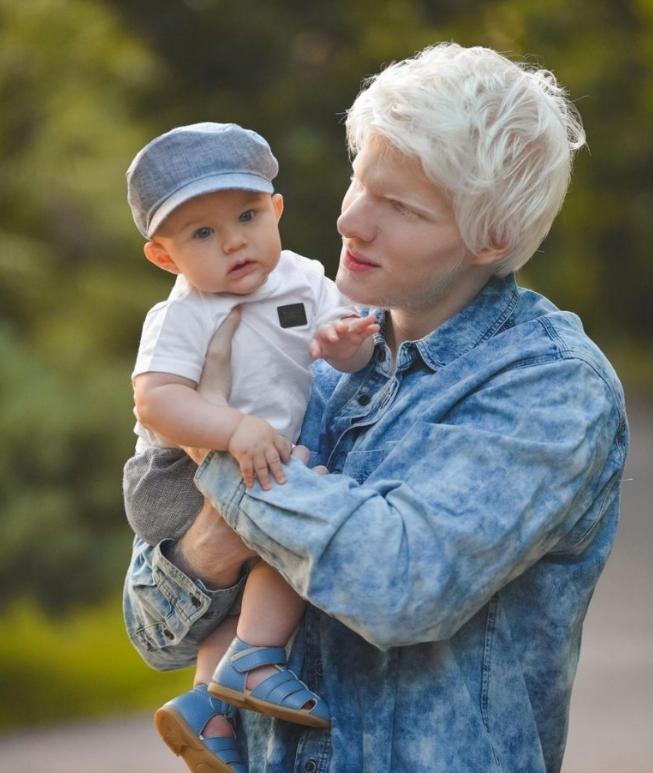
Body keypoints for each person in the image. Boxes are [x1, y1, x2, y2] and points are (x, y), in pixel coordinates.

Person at [123, 44, 628, 773]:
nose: (352, 222)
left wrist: (222, 458)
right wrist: (215, 529)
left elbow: (401, 587)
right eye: (360, 181)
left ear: (491, 238)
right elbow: (153, 631)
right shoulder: (296, 341)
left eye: (400, 208)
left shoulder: (548, 384)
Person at [124, 122, 379, 773]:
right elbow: (156, 401)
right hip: (177, 473)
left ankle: (206, 706)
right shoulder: (184, 313)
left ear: (276, 209)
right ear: (164, 258)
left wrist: (344, 344)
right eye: (202, 233)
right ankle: (255, 658)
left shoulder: (303, 278)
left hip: (253, 454)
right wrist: (231, 428)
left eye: (246, 216)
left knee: (255, 556)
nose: (233, 241)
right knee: (292, 520)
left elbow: (347, 343)